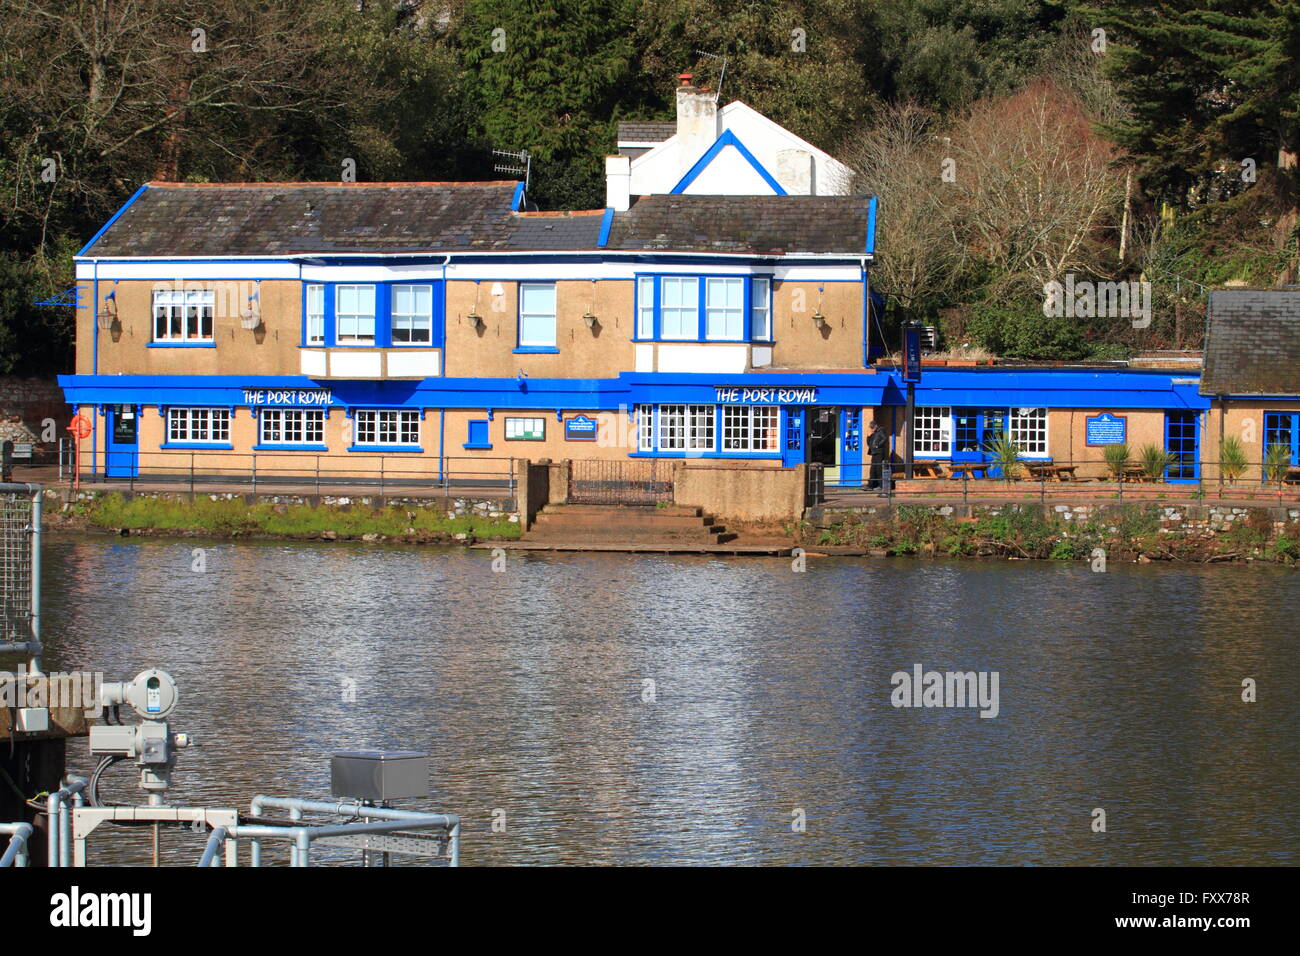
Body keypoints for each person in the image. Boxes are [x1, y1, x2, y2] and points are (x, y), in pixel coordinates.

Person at [866, 420, 889, 493]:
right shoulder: (874, 433)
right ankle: (871, 485)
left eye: (872, 427)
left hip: (879, 453)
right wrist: (868, 437)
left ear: (876, 426)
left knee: (879, 469)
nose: (871, 429)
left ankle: (881, 485)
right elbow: (869, 443)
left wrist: (878, 445)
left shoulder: (881, 430)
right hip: (874, 453)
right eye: (870, 427)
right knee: (873, 469)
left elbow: (884, 438)